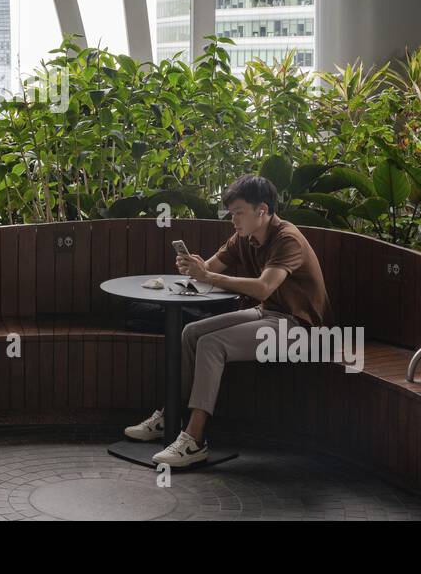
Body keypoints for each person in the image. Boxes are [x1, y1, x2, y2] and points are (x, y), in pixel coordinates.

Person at [123, 174, 334, 467]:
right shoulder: (243, 237)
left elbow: (263, 287)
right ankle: (169, 415)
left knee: (212, 344)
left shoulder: (288, 239)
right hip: (269, 314)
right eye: (231, 213)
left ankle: (194, 440)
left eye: (239, 213)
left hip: (301, 329)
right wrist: (194, 268)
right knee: (191, 332)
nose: (233, 220)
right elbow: (209, 270)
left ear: (262, 210)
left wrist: (207, 276)